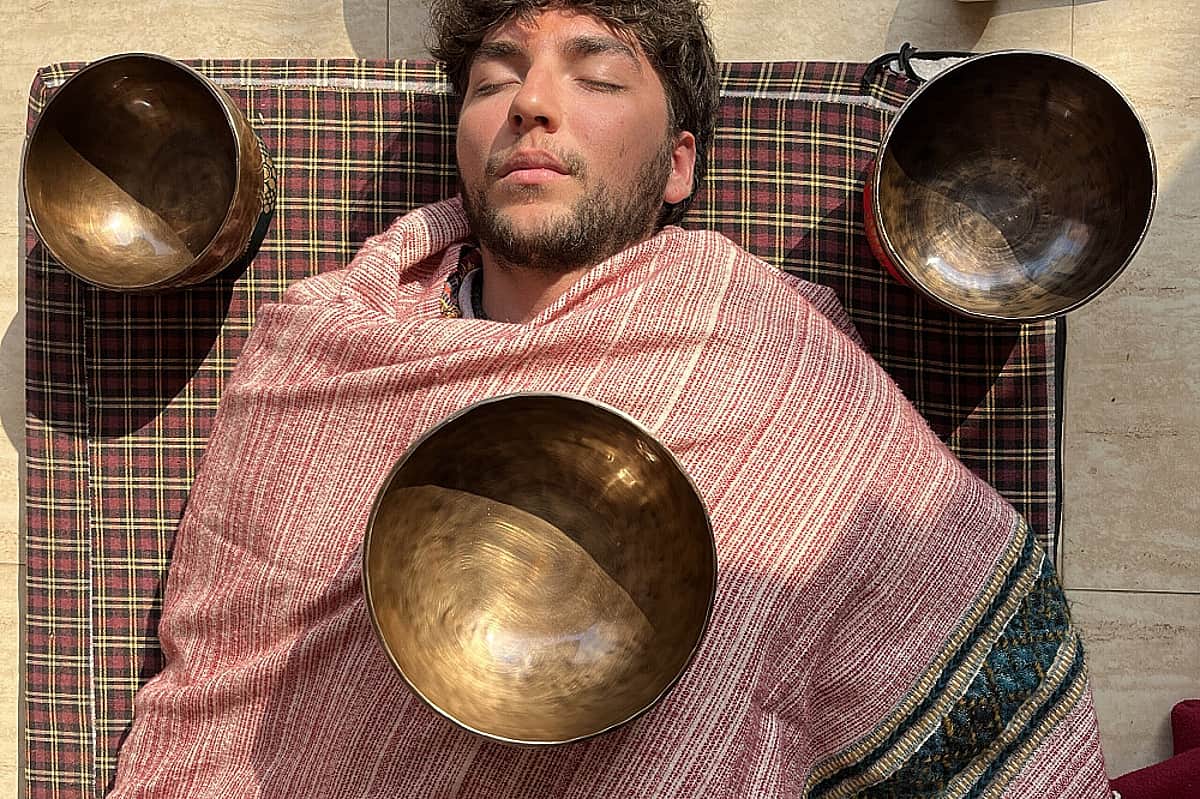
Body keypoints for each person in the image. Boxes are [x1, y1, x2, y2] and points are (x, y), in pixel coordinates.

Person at [108, 1, 1115, 797]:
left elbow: (947, 602)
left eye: (593, 75)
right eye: (494, 77)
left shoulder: (760, 352)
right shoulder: (322, 354)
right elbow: (225, 681)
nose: (530, 105)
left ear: (680, 163)